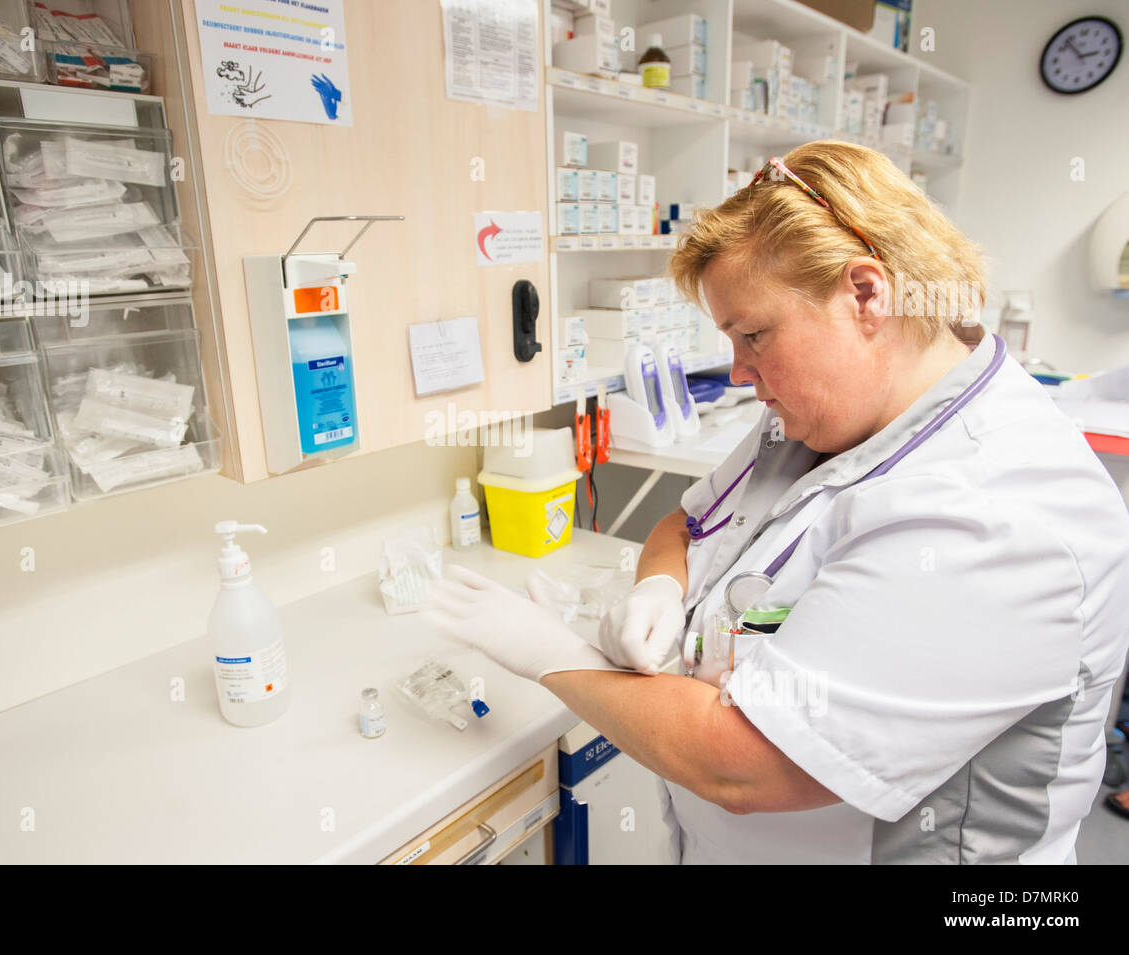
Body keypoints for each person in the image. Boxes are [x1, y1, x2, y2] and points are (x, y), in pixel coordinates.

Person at [427, 141, 1129, 864]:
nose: (737, 370)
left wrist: (550, 653)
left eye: (753, 334)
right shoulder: (828, 415)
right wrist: (660, 587)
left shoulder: (997, 510)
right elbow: (689, 521)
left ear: (866, 293)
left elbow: (741, 761)